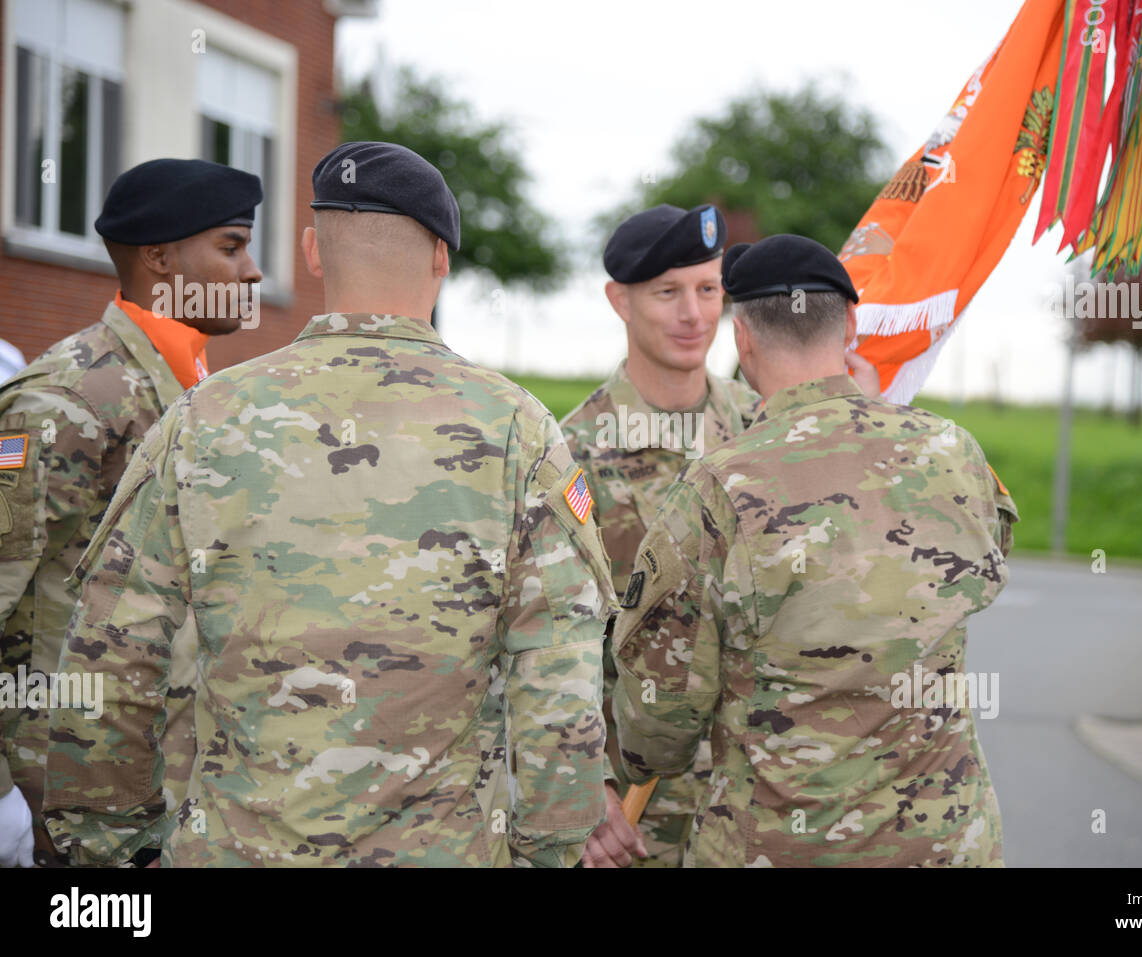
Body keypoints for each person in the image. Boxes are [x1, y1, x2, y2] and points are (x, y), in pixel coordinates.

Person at [42, 141, 615, 868]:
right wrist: (549, 852)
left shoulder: (201, 420)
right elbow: (558, 684)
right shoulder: (518, 430)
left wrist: (114, 850)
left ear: (313, 251)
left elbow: (110, 655)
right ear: (441, 257)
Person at [610, 234, 1019, 867]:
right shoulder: (954, 452)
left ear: (741, 338)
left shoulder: (719, 485)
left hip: (778, 846)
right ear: (851, 324)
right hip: (947, 842)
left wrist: (632, 760)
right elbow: (992, 559)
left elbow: (661, 721)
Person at [0, 158, 263, 867]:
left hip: (168, 785)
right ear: (160, 258)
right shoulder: (71, 399)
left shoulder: (200, 390)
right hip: (65, 802)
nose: (253, 273)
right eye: (232, 247)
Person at [560, 204, 761, 867]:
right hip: (631, 818)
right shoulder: (571, 452)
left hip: (761, 804)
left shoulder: (767, 433)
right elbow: (545, 633)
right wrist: (582, 782)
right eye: (667, 292)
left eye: (708, 290)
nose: (693, 315)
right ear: (620, 299)